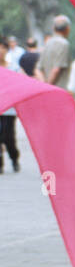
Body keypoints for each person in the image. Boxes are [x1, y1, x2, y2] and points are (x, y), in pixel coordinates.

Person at [0, 40, 21, 173]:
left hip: (9, 109)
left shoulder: (13, 67)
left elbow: (20, 85)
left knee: (8, 137)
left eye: (3, 48)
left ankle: (14, 157)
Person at [37, 16, 72, 88]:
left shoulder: (48, 43)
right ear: (68, 29)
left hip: (48, 89)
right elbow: (56, 69)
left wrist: (43, 84)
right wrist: (48, 87)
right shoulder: (63, 43)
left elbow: (38, 69)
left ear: (53, 28)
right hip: (59, 89)